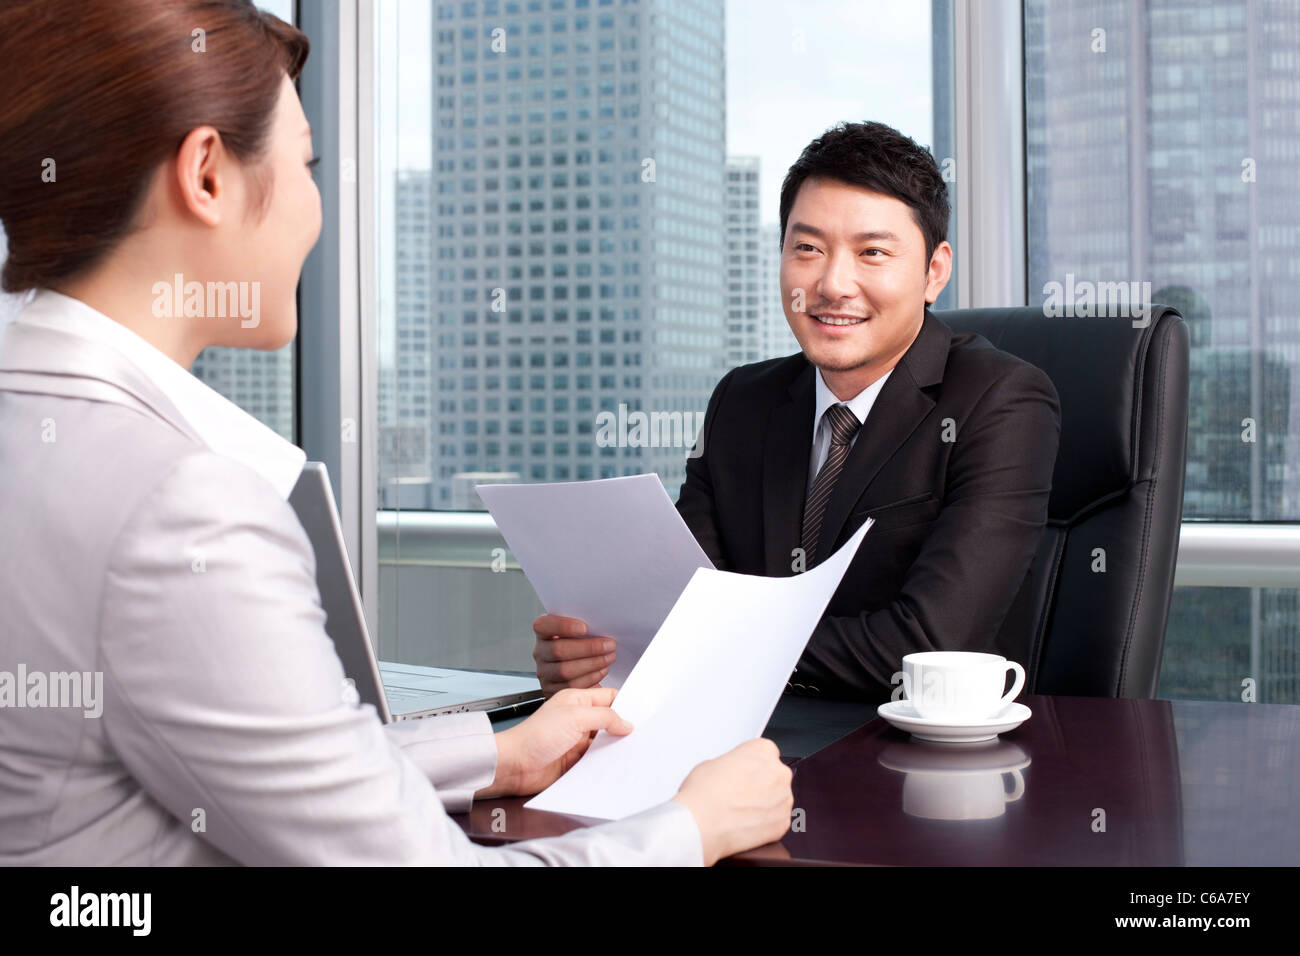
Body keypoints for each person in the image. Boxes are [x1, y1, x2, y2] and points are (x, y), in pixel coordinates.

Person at [0, 0, 791, 866]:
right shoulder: (178, 510)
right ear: (208, 176)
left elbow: (245, 761)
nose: (314, 210)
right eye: (305, 164)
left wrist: (496, 753)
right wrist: (692, 825)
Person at [535, 121, 1061, 703]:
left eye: (873, 253)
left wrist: (708, 644)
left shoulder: (1001, 402)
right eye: (807, 248)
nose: (833, 284)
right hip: (737, 746)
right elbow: (680, 601)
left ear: (934, 271)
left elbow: (927, 645)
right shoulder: (742, 402)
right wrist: (599, 653)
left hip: (919, 770)